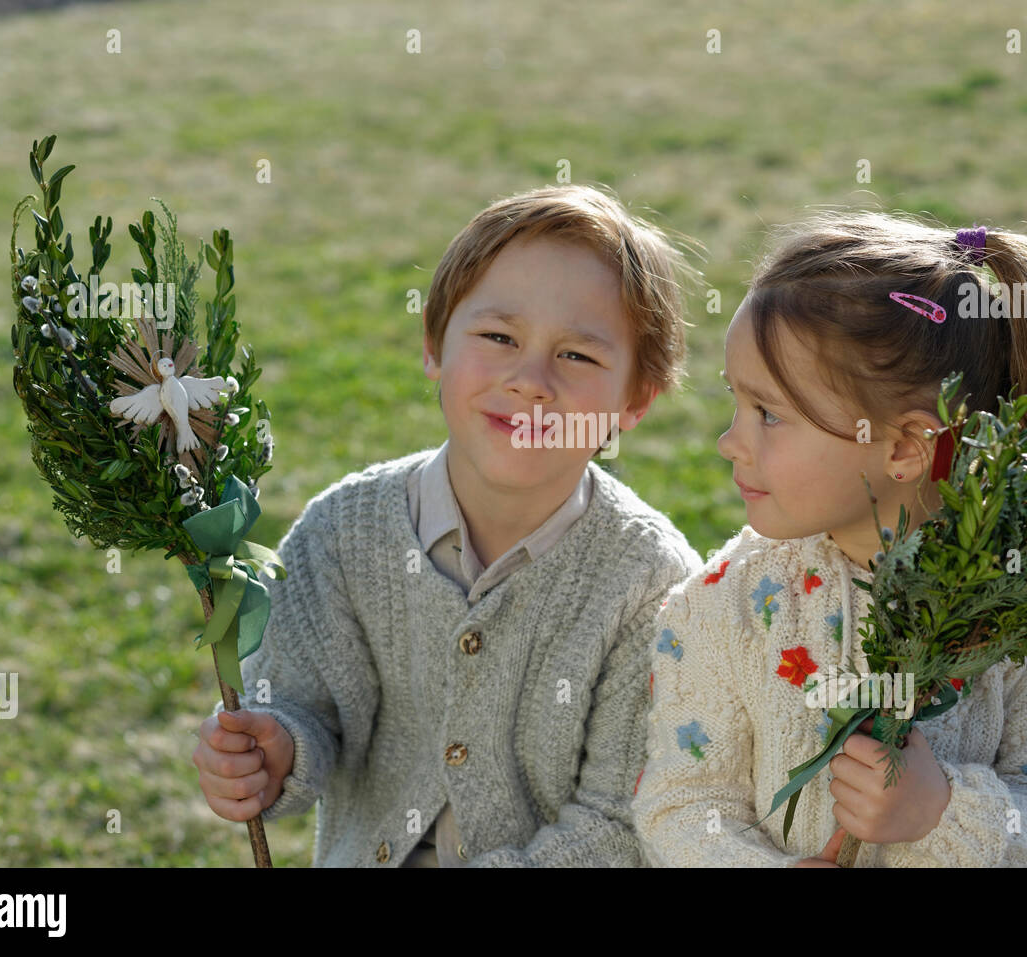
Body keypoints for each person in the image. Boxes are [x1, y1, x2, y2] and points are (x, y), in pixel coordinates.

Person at [633, 211, 1027, 866]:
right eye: (738, 401)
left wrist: (943, 810)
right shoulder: (721, 606)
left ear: (904, 446)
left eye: (769, 413)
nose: (730, 440)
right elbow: (684, 802)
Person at [193, 184, 704, 866]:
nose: (530, 380)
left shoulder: (652, 583)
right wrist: (275, 748)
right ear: (434, 345)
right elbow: (296, 703)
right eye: (498, 337)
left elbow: (620, 819)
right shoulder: (343, 533)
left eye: (577, 355)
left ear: (634, 400)